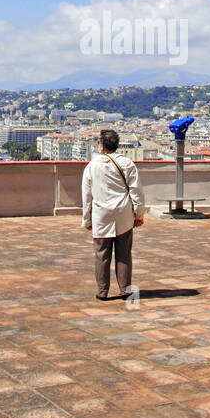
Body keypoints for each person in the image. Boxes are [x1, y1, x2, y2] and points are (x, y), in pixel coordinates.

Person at [81, 129, 146, 301]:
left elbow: (86, 196)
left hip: (101, 214)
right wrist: (139, 213)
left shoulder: (91, 166)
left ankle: (102, 291)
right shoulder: (127, 164)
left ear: (101, 146)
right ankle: (125, 289)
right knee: (124, 253)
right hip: (123, 213)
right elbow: (136, 191)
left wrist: (86, 219)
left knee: (102, 254)